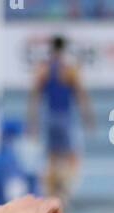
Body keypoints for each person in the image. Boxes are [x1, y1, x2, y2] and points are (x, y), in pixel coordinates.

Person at [28, 36, 94, 202]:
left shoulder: (43, 69)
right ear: (64, 50)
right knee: (69, 157)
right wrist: (88, 118)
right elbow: (81, 95)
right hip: (64, 117)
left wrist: (32, 123)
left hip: (49, 116)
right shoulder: (69, 70)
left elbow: (34, 98)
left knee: (51, 156)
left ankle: (51, 193)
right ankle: (63, 191)